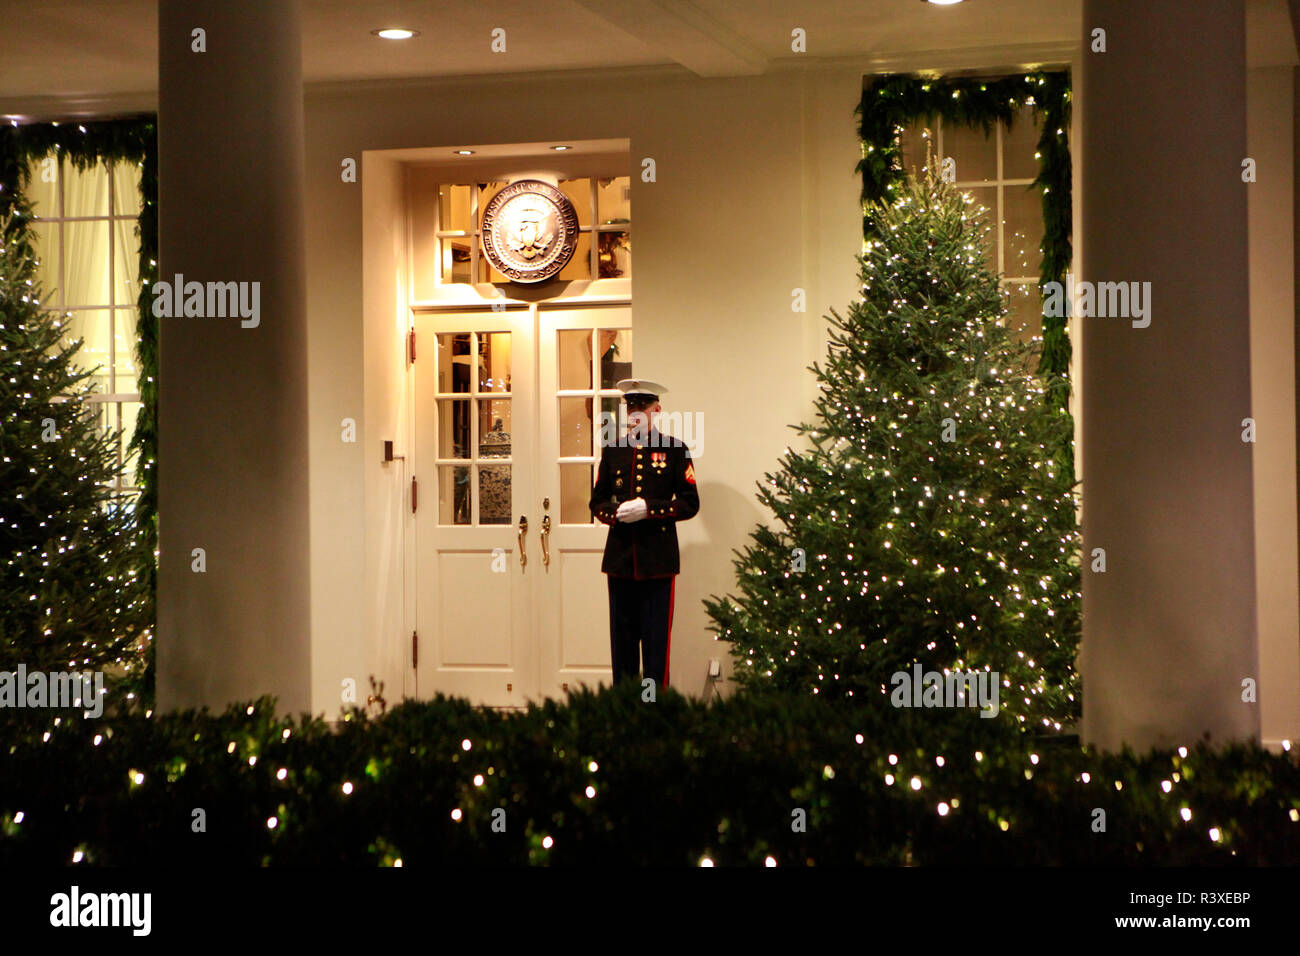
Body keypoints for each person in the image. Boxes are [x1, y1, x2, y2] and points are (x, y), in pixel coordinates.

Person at [589, 379, 699, 690]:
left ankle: (653, 712)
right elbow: (597, 500)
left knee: (655, 648)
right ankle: (624, 713)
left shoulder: (675, 450)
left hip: (658, 563)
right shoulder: (613, 451)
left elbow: (690, 503)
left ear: (657, 411)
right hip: (621, 562)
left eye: (643, 408)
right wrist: (615, 515)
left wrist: (649, 509)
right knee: (621, 647)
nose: (636, 414)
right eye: (631, 408)